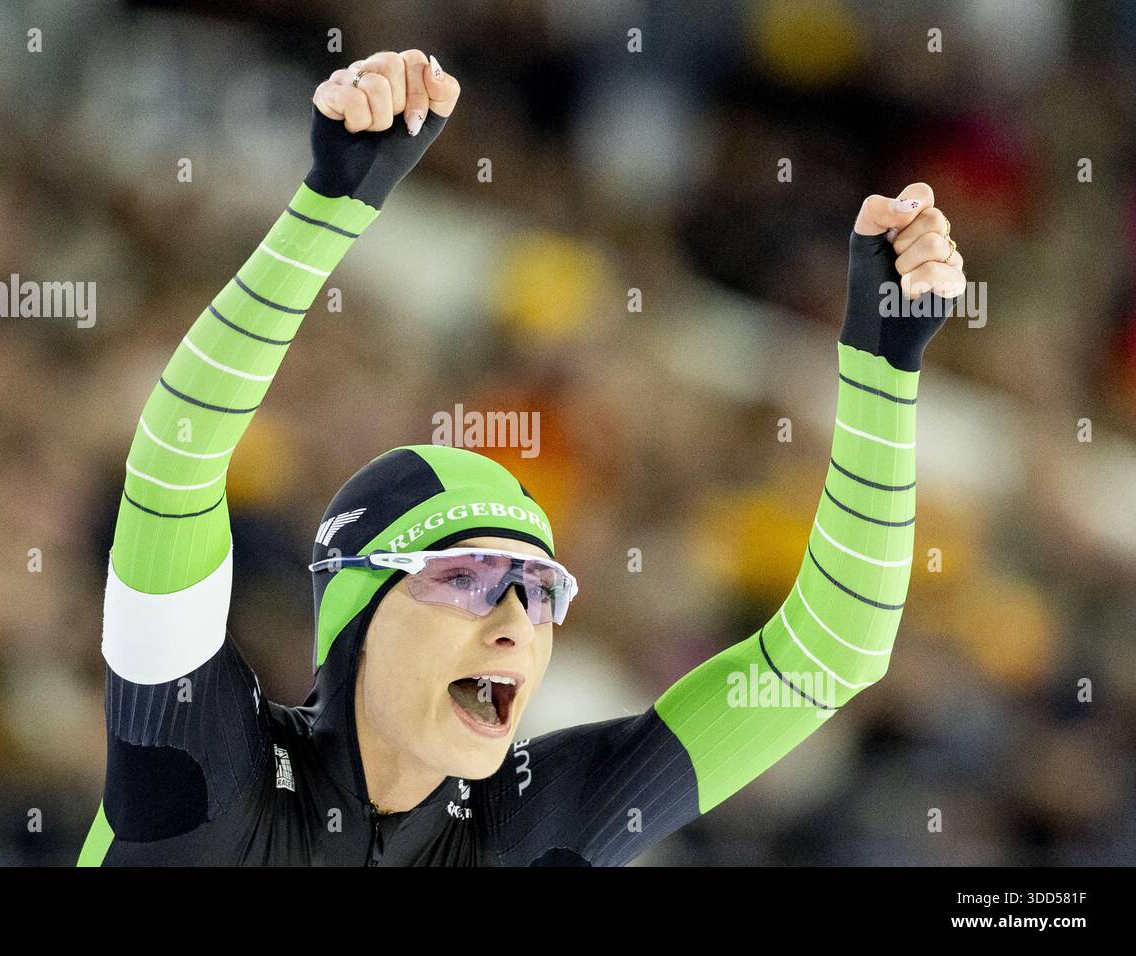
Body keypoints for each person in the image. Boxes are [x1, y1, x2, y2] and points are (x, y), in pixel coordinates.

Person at [77, 48, 966, 866]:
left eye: (540, 590)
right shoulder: (203, 767)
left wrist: (882, 373)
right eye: (464, 577)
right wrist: (328, 206)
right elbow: (174, 464)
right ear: (354, 603)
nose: (514, 623)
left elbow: (829, 657)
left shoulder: (527, 829)